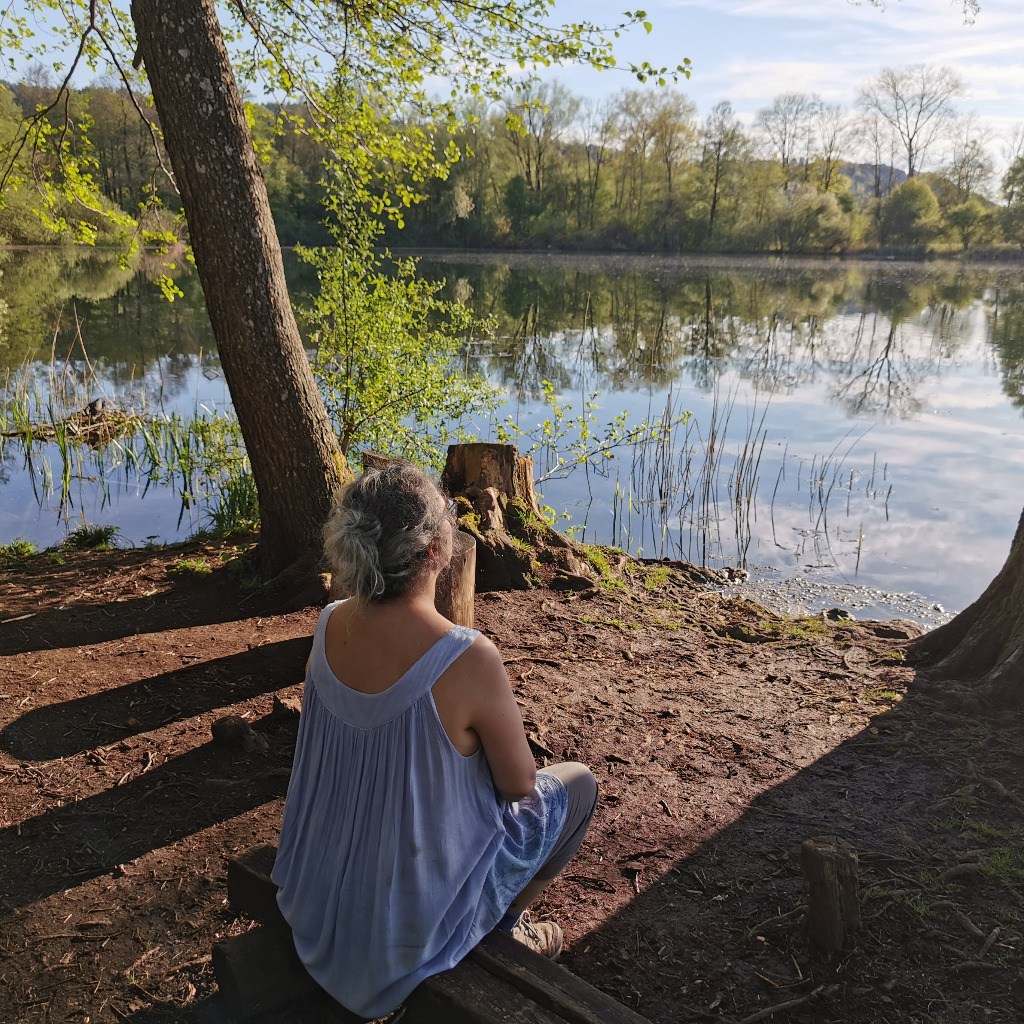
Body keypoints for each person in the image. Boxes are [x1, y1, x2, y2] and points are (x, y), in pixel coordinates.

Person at [272, 461, 599, 1019]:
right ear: (433, 552)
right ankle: (506, 927)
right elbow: (520, 785)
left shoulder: (328, 623)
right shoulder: (467, 656)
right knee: (578, 785)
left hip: (317, 894)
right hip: (407, 929)